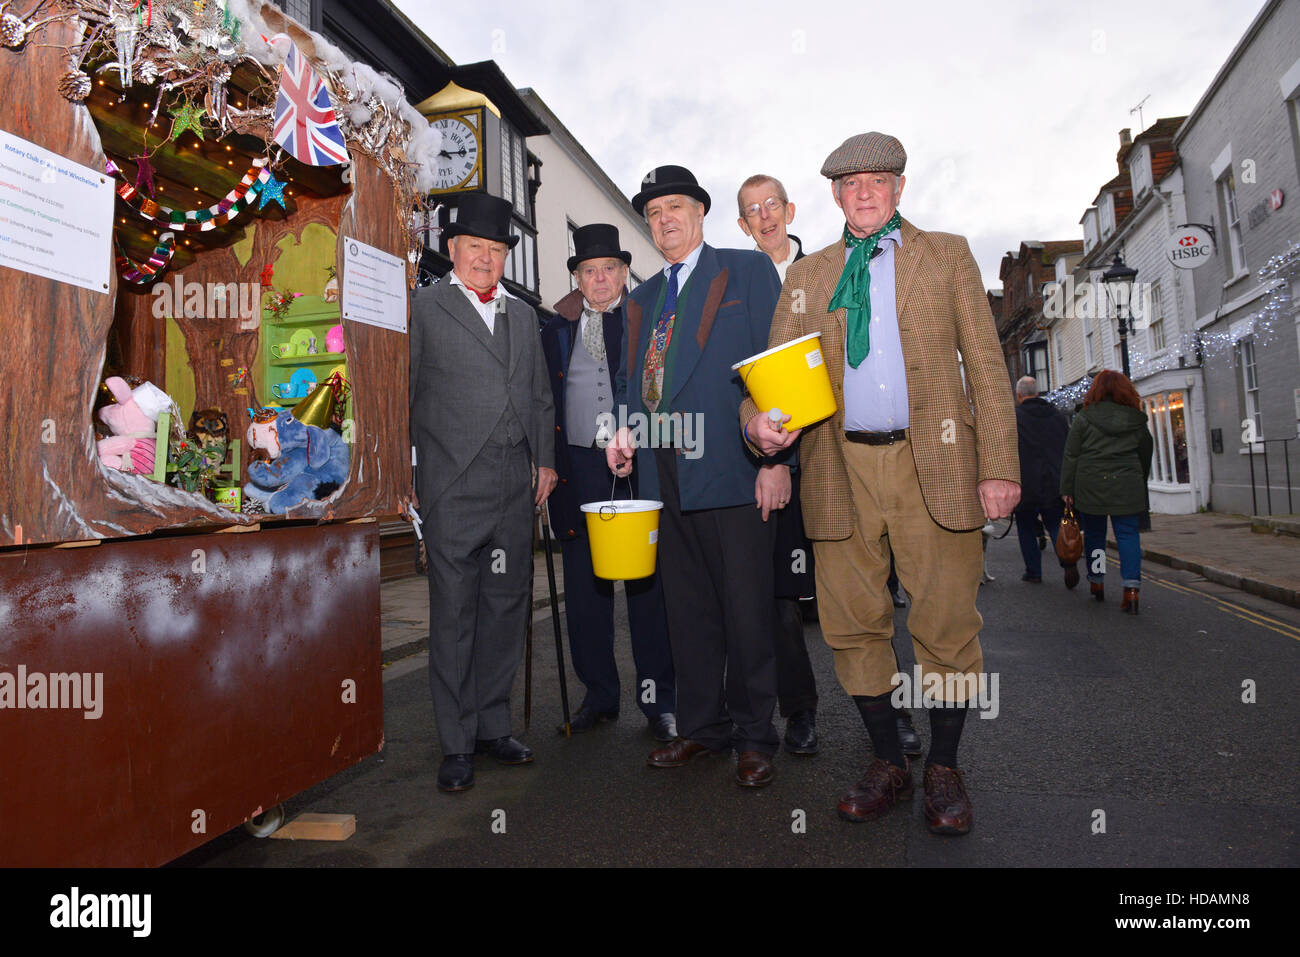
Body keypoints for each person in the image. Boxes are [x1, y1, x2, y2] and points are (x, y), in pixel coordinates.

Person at [744, 132, 1020, 835]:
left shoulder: (947, 255)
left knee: (946, 622)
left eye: (877, 180)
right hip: (839, 466)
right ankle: (888, 761)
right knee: (850, 625)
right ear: (836, 196)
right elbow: (769, 379)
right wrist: (759, 429)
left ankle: (944, 768)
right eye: (850, 183)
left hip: (936, 461)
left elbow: (987, 367)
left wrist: (999, 466)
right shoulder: (808, 276)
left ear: (899, 188)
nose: (863, 192)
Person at [606, 165, 784, 788]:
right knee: (687, 611)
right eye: (654, 213)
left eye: (676, 207)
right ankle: (704, 728)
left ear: (701, 212)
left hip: (735, 467)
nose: (665, 221)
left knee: (747, 610)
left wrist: (777, 463)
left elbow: (774, 368)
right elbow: (631, 383)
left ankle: (756, 736)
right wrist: (622, 434)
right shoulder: (641, 299)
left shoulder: (747, 270)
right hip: (664, 475)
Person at [409, 192, 557, 793]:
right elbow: (404, 393)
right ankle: (456, 741)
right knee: (453, 615)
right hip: (451, 483)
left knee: (505, 607)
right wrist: (405, 477)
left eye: (495, 249)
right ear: (452, 249)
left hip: (514, 483)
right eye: (475, 246)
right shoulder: (423, 307)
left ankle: (494, 725)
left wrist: (546, 462)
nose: (485, 258)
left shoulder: (522, 314)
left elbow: (540, 395)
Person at [540, 223, 676, 742]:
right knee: (584, 592)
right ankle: (599, 695)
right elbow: (543, 401)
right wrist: (544, 464)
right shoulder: (554, 330)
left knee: (647, 589)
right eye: (589, 270)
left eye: (609, 269)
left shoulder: (649, 324)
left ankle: (659, 701)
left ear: (624, 273)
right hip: (577, 472)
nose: (599, 279)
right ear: (577, 277)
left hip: (636, 469)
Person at [737, 173, 818, 754]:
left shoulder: (828, 272)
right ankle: (800, 710)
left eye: (772, 205)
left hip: (835, 454)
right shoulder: (738, 283)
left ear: (790, 211)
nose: (764, 216)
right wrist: (771, 457)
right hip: (772, 456)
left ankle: (892, 720)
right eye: (752, 210)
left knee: (859, 591)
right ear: (743, 226)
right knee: (781, 598)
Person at [1059, 369, 1153, 614]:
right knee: (1128, 536)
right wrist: (1139, 479)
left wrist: (1067, 489)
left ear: (1096, 390)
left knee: (1095, 536)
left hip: (1091, 484)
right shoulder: (1136, 419)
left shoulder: (1084, 418)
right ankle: (1131, 589)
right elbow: (1145, 452)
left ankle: (1097, 581)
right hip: (1127, 484)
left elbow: (1071, 455)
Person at [1013, 375, 1077, 587]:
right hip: (1053, 480)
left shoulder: (1015, 417)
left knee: (1026, 528)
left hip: (1026, 482)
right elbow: (1067, 448)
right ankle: (1067, 561)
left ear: (1019, 395)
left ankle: (1033, 572)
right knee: (1055, 523)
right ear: (1037, 393)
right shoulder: (1056, 416)